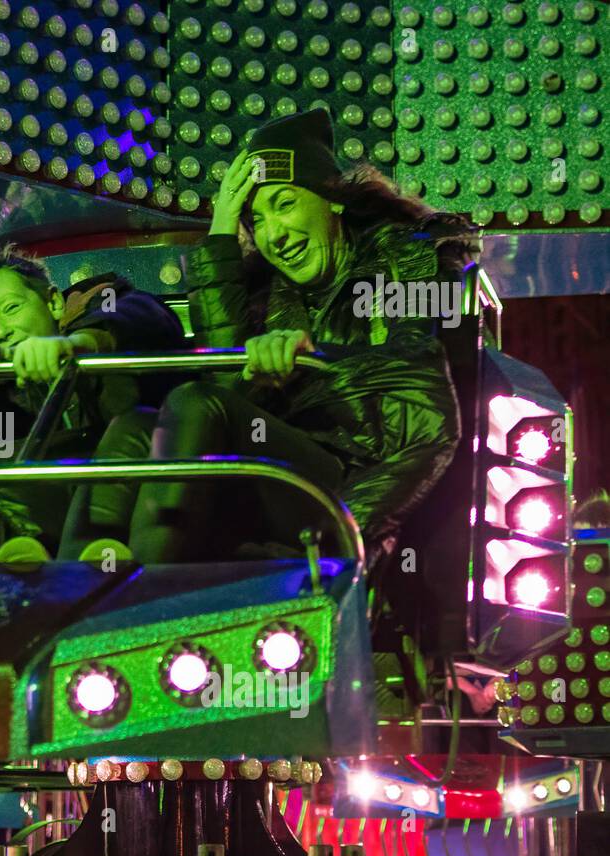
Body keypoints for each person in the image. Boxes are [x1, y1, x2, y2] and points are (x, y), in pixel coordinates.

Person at [79, 108, 480, 568]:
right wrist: (222, 228)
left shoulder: (409, 257)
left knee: (194, 400)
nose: (274, 236)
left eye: (284, 204)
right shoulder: (267, 293)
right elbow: (224, 391)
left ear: (333, 200)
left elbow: (419, 400)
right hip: (278, 481)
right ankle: (76, 585)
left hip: (350, 483)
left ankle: (148, 587)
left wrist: (308, 364)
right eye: (257, 220)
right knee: (134, 429)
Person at [0, 244, 187, 561]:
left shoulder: (111, 301)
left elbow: (140, 318)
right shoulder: (11, 387)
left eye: (11, 308)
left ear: (54, 302)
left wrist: (77, 345)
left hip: (148, 502)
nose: (1, 331)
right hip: (54, 510)